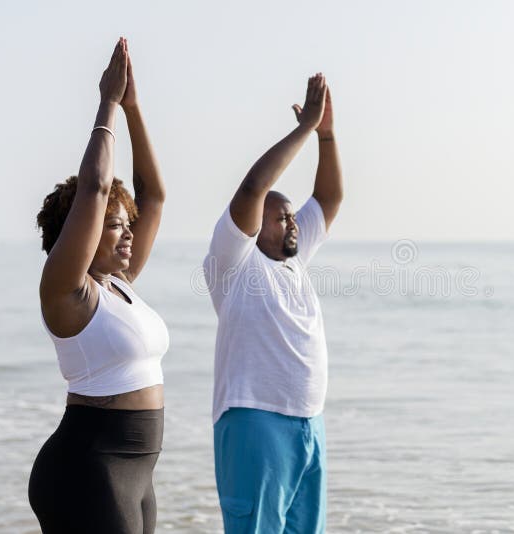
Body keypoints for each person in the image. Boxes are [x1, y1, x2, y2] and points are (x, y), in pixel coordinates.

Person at [28, 37, 168, 534]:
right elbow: (95, 186)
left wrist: (133, 107)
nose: (129, 230)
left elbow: (152, 197)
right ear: (80, 232)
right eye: (114, 223)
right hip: (89, 468)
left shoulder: (120, 286)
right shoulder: (68, 293)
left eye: (126, 223)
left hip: (136, 472)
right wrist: (107, 102)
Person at [204, 73, 343, 533]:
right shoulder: (235, 262)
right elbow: (250, 191)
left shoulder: (296, 260)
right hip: (255, 421)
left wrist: (326, 134)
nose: (293, 224)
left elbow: (328, 197)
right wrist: (303, 131)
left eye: (292, 217)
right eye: (281, 217)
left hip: (309, 423)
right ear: (253, 225)